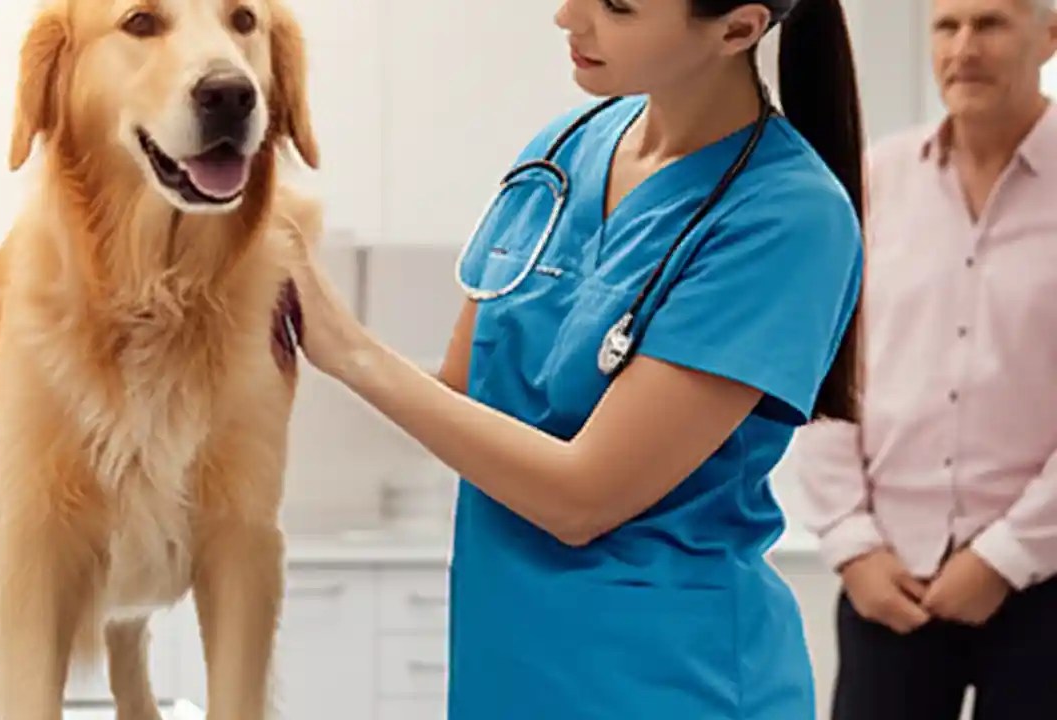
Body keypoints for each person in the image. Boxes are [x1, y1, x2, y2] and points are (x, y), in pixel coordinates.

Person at [285, 0, 865, 717]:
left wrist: (348, 349)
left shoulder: (785, 215)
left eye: (617, 6)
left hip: (670, 684)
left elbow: (581, 499)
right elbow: (461, 395)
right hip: (509, 676)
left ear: (738, 28)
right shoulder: (563, 149)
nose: (568, 17)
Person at [794, 0, 1057, 718]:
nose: (964, 47)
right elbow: (822, 369)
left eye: (990, 24)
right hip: (886, 582)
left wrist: (1005, 556)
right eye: (947, 26)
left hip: (1046, 584)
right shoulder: (872, 182)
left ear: (1050, 37)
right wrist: (852, 545)